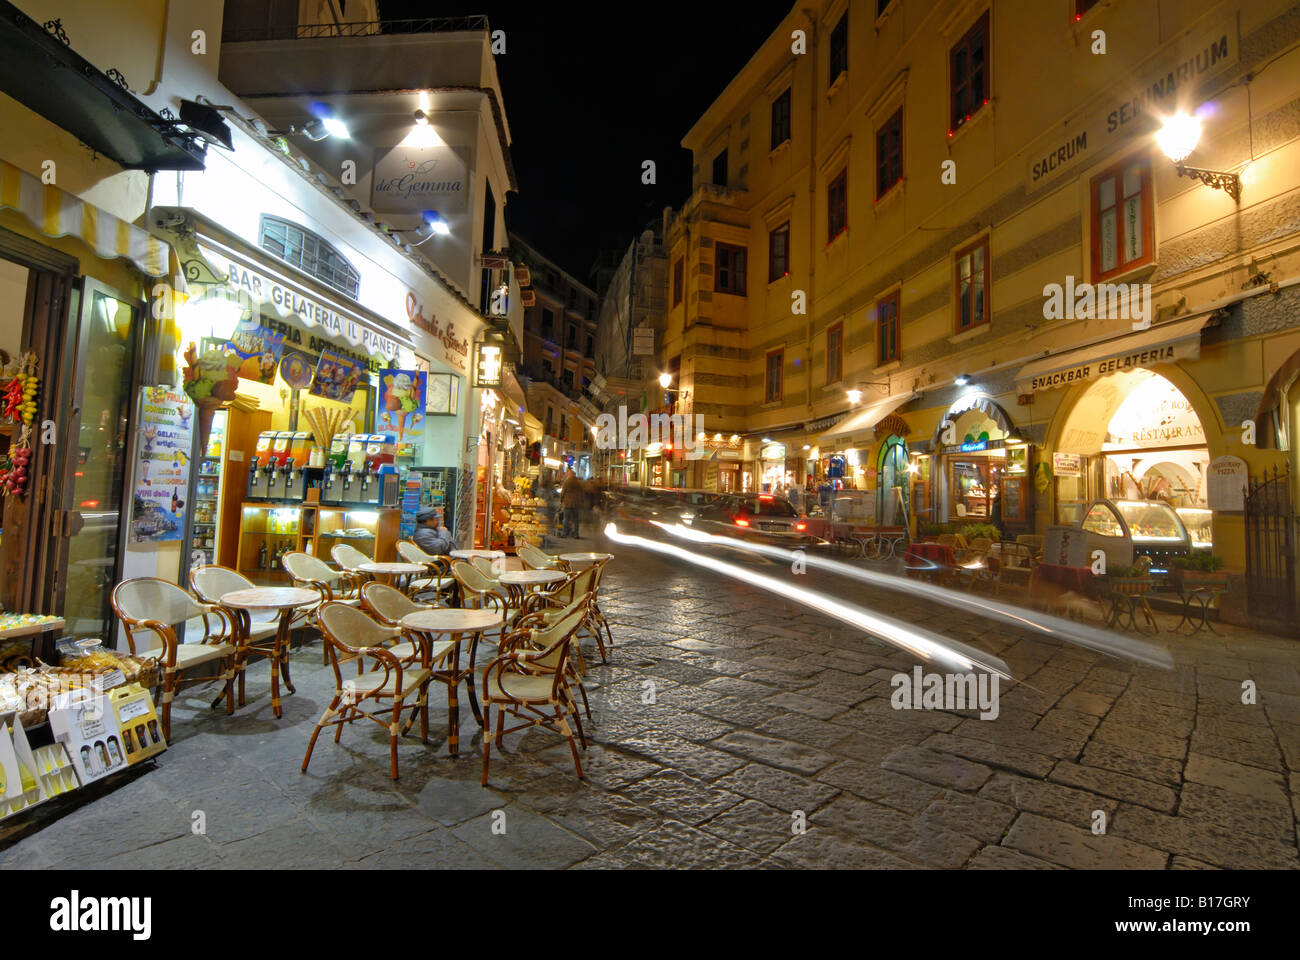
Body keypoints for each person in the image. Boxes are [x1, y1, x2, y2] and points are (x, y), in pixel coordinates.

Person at [560, 469, 585, 538]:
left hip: (567, 504)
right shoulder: (579, 483)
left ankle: (564, 533)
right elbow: (582, 494)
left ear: (569, 475)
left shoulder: (566, 482)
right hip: (576, 505)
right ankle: (576, 534)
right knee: (576, 519)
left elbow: (563, 493)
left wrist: (561, 500)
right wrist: (581, 502)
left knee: (566, 519)